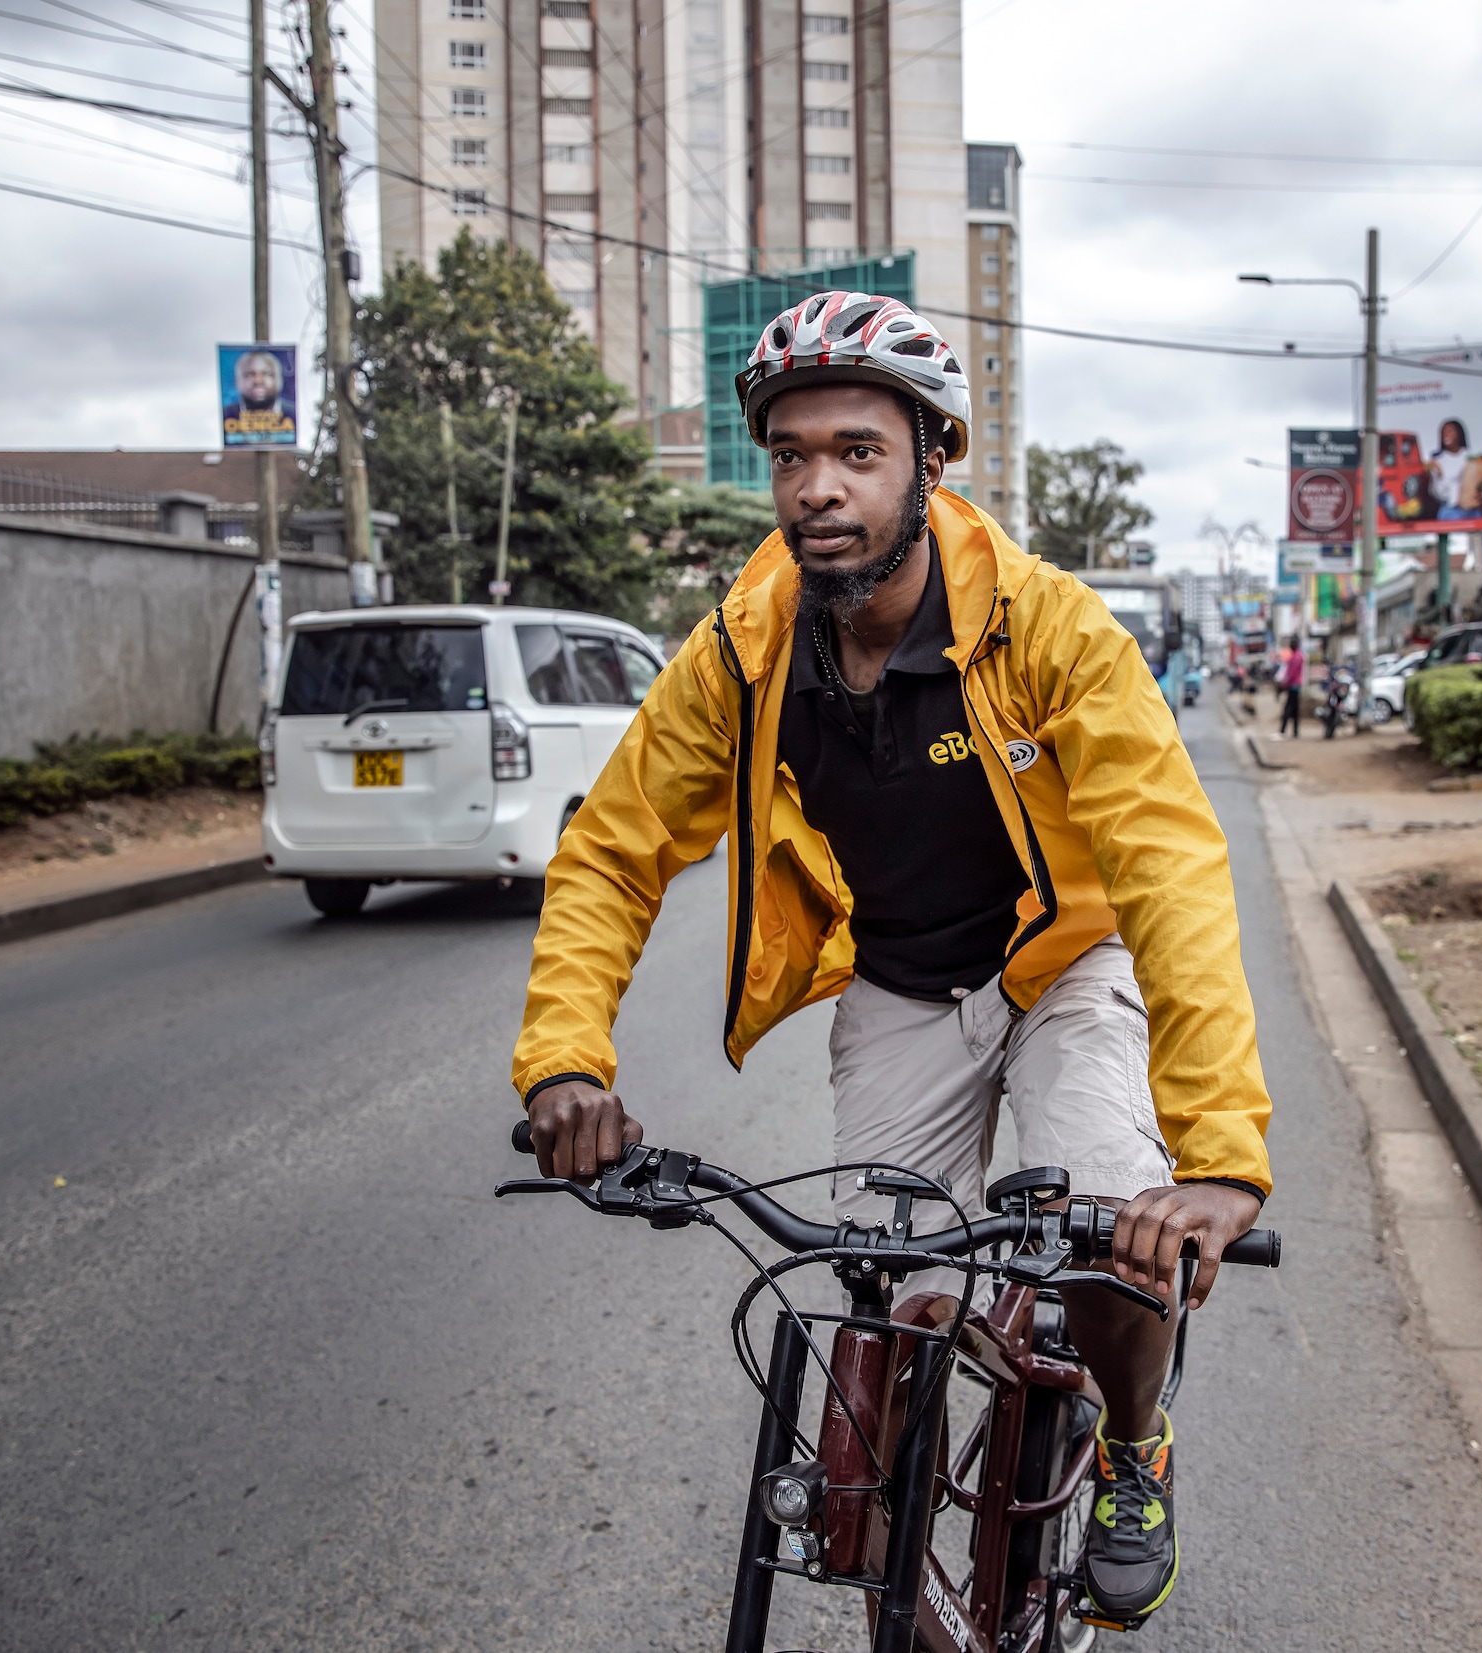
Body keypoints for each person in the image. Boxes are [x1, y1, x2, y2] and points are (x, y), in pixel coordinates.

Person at [510, 290, 1272, 1629]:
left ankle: (1136, 1446)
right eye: (791, 454)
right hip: (905, 990)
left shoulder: (1050, 633)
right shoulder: (745, 653)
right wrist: (566, 1063)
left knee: (1112, 1237)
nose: (818, 487)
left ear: (933, 456)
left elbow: (1170, 871)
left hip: (1066, 968)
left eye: (857, 451)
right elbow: (614, 850)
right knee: (890, 1300)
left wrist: (1215, 1160)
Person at [1429, 419, 1472, 521]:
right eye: (1443, 432)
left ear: (1459, 433)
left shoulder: (1470, 457)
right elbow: (1439, 494)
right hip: (1451, 511)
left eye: (1450, 431)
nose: (1446, 435)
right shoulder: (1439, 461)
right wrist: (1439, 474)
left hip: (1472, 510)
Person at [1274, 639, 1304, 738]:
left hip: (1293, 686)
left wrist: (1285, 683)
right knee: (1295, 710)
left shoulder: (1296, 657)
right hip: (1295, 685)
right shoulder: (1297, 656)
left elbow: (1291, 673)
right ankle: (1295, 732)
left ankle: (1283, 730)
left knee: (1288, 709)